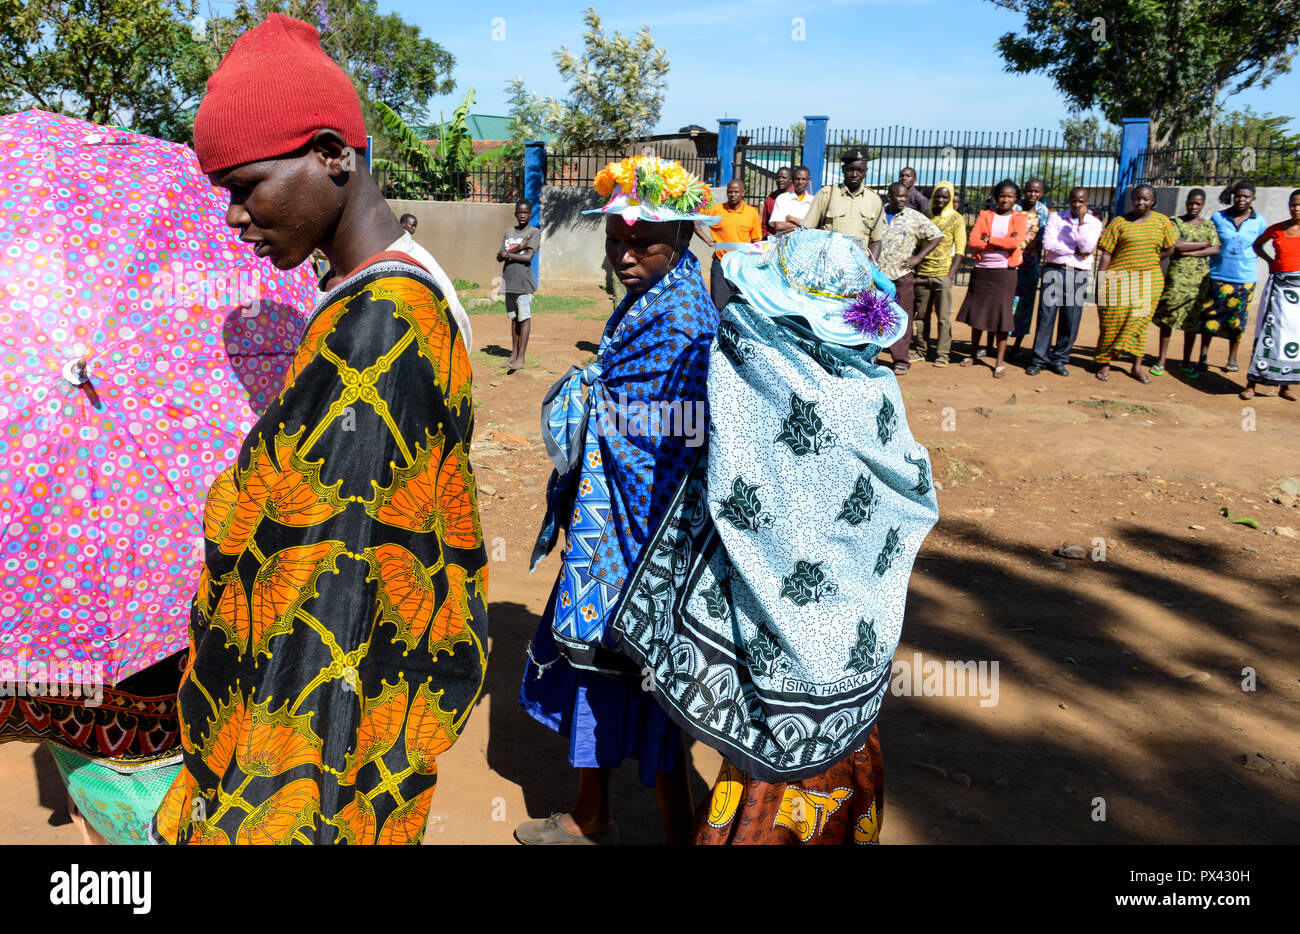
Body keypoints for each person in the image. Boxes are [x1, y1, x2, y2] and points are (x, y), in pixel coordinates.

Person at [149, 13, 487, 845]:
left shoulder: (383, 324)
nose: (234, 218)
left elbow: (326, 604)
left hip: (306, 756)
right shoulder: (371, 290)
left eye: (246, 186)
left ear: (334, 153)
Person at [604, 229, 936, 844]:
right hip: (853, 656)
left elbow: (731, 299)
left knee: (775, 810)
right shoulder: (872, 390)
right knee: (837, 797)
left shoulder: (761, 382)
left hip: (787, 679)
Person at [515, 155, 720, 845]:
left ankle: (679, 832)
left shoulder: (687, 319)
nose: (626, 256)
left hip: (643, 539)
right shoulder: (649, 300)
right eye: (617, 243)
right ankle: (590, 814)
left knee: (645, 688)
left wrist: (596, 406)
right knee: (596, 678)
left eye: (644, 244)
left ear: (683, 241)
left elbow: (680, 439)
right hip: (609, 529)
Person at [1093, 185, 1177, 383]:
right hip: (1118, 280)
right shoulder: (1119, 222)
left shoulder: (1162, 222)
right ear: (1132, 200)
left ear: (1153, 201)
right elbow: (1106, 253)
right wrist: (1101, 280)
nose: (1141, 202)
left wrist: (1151, 260)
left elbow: (1169, 248)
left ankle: (1136, 366)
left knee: (1139, 322)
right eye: (1137, 199)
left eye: (1146, 199)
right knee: (1110, 322)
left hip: (1149, 280)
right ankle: (1105, 363)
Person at [1027, 186, 1103, 376]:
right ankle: (1039, 359)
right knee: (1046, 317)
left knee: (1071, 318)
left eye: (1081, 202)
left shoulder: (1093, 223)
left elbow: (1086, 248)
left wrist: (1082, 222)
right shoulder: (1056, 218)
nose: (1077, 205)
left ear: (1087, 202)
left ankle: (1060, 359)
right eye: (1073, 201)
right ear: (1069, 201)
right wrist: (1072, 250)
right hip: (1055, 270)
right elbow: (1048, 244)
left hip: (1078, 274)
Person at [957, 180, 1029, 377]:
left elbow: (1015, 241)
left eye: (1010, 196)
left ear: (1015, 199)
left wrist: (989, 240)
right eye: (1002, 195)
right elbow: (973, 241)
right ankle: (972, 355)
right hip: (982, 271)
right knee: (977, 315)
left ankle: (999, 361)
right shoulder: (985, 215)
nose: (1005, 199)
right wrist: (999, 244)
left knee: (1002, 318)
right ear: (997, 196)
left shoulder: (1020, 218)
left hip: (1005, 273)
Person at [378, 211, 473, 350]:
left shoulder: (416, 250)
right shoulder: (393, 246)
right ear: (402, 225)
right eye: (410, 225)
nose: (413, 229)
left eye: (415, 226)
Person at [1199, 182, 1269, 373]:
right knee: (1210, 317)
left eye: (1246, 196)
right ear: (1233, 196)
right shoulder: (1218, 218)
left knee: (1237, 321)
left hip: (1245, 279)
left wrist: (1271, 261)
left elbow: (1260, 245)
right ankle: (1202, 357)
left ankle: (1232, 358)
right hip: (1218, 276)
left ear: (1253, 198)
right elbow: (1209, 241)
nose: (1241, 200)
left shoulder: (1259, 221)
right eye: (1238, 196)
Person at [1151, 189, 1219, 377]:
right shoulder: (1175, 222)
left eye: (1198, 204)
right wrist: (1202, 244)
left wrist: (1188, 251)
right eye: (1191, 203)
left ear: (1203, 204)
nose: (1194, 207)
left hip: (1199, 281)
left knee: (1192, 321)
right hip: (1177, 279)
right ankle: (1161, 359)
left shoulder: (1208, 225)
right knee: (1168, 318)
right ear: (1186, 203)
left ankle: (1186, 361)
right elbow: (1174, 245)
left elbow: (1215, 249)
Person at [876, 182, 942, 373]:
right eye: (899, 196)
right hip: (879, 275)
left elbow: (936, 235)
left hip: (902, 274)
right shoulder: (877, 214)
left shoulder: (913, 216)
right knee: (876, 316)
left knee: (902, 317)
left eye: (906, 196)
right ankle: (873, 355)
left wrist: (919, 257)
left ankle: (900, 360)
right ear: (889, 197)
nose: (903, 200)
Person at [1241, 189, 1300, 401]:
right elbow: (1257, 244)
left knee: (1294, 337)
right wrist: (1269, 261)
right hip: (1278, 288)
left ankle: (1285, 386)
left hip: (1299, 293)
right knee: (1266, 332)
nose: (1296, 208)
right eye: (1293, 204)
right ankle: (1251, 384)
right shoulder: (1277, 229)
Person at [913, 180, 967, 367]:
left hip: (943, 274)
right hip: (923, 273)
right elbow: (919, 243)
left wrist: (950, 275)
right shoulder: (926, 216)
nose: (941, 199)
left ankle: (943, 354)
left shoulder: (956, 218)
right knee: (921, 316)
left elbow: (960, 249)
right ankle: (921, 350)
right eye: (938, 195)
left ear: (951, 198)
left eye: (945, 196)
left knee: (943, 318)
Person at [802, 147, 887, 255]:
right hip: (828, 263)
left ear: (866, 172)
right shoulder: (826, 194)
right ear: (843, 169)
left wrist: (871, 268)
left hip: (859, 267)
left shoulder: (874, 200)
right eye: (850, 170)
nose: (855, 174)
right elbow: (807, 231)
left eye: (860, 170)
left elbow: (876, 240)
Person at [700, 178, 762, 310]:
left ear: (743, 193)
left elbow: (757, 241)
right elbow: (695, 221)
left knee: (743, 306)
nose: (733, 194)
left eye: (736, 192)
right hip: (721, 264)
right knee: (719, 306)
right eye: (730, 192)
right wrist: (707, 240)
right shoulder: (717, 210)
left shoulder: (752, 213)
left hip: (742, 266)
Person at [1010, 178, 1049, 361]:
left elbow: (1043, 239)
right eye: (1029, 191)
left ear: (1042, 193)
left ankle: (1016, 346)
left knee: (1025, 307)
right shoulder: (1015, 209)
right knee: (1007, 303)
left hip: (1029, 265)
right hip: (1010, 263)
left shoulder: (1043, 212)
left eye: (1037, 191)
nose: (1033, 194)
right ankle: (995, 344)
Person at [498, 198, 539, 369]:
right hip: (509, 281)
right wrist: (517, 248)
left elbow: (528, 257)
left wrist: (507, 254)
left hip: (523, 282)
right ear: (515, 213)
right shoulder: (508, 233)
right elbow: (499, 256)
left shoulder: (534, 232)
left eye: (525, 212)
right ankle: (513, 355)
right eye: (519, 212)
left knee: (524, 318)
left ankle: (521, 357)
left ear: (530, 214)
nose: (522, 215)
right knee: (514, 319)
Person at [768, 165, 814, 234]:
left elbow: (814, 227)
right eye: (797, 179)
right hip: (786, 243)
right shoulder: (782, 198)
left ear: (809, 180)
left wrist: (792, 219)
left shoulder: (813, 201)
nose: (800, 182)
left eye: (804, 179)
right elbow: (779, 225)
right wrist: (804, 226)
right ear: (792, 180)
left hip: (806, 243)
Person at [761, 166, 792, 238]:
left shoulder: (798, 196)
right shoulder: (770, 199)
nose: (780, 180)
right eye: (778, 178)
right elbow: (764, 225)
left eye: (784, 177)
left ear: (791, 179)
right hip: (774, 241)